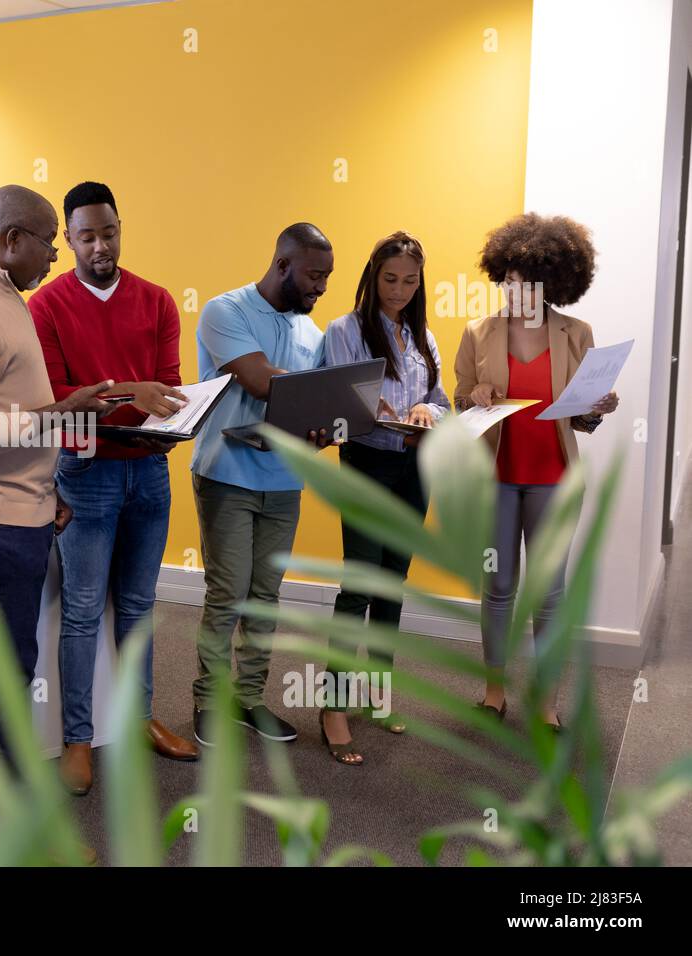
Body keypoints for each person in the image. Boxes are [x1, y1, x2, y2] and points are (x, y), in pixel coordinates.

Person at [0, 184, 114, 752]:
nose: (56, 256)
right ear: (12, 241)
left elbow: (9, 413)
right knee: (6, 674)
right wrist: (59, 414)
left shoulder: (2, 297)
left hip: (16, 507)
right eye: (49, 243)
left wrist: (43, 483)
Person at [29, 181, 198, 796]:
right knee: (80, 611)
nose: (101, 245)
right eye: (86, 236)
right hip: (85, 475)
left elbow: (171, 389)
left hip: (150, 471)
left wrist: (165, 419)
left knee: (138, 606)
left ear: (120, 227)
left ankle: (140, 716)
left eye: (110, 232)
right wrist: (132, 391)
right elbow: (58, 405)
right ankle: (78, 739)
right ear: (69, 240)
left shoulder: (156, 302)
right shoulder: (45, 307)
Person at [454, 212, 619, 730]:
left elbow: (583, 414)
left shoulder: (577, 334)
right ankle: (494, 690)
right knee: (499, 585)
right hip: (497, 475)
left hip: (553, 475)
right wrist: (474, 396)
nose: (513, 290)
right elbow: (458, 400)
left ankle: (546, 699)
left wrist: (599, 407)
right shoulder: (479, 331)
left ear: (553, 284)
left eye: (526, 283)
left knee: (549, 591)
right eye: (508, 280)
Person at [190, 222, 334, 747]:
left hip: (283, 480)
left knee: (266, 597)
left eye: (327, 278)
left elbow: (313, 410)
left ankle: (248, 699)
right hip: (227, 473)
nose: (321, 288)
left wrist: (324, 425)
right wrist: (320, 398)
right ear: (282, 266)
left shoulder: (311, 333)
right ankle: (208, 700)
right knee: (228, 595)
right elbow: (258, 379)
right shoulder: (224, 311)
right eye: (314, 276)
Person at [320, 231, 450, 765]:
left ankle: (376, 690)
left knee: (393, 581)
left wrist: (428, 414)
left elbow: (439, 398)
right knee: (360, 583)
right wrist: (383, 413)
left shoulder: (423, 335)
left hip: (415, 464)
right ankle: (331, 705)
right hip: (368, 462)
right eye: (390, 278)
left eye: (410, 281)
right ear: (373, 276)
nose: (399, 290)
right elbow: (338, 400)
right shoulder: (345, 330)